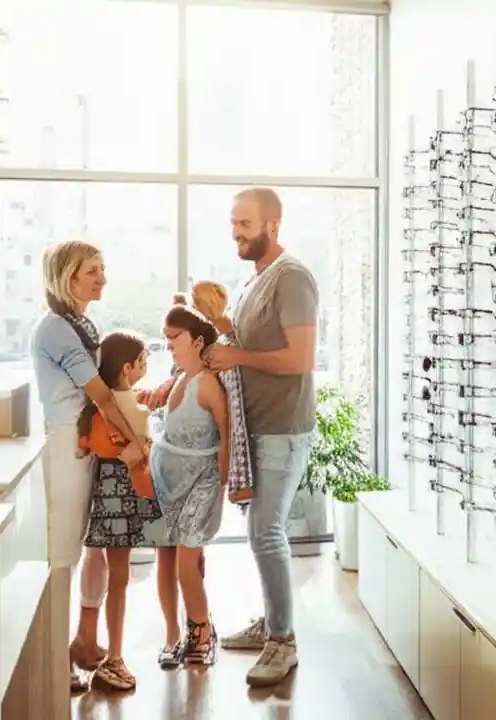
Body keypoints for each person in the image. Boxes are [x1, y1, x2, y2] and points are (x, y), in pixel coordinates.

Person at [203, 188, 319, 687]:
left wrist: (237, 357)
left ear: (273, 224)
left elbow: (300, 360)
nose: (236, 233)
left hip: (281, 431)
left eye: (245, 224)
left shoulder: (292, 279)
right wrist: (220, 326)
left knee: (266, 535)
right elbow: (251, 342)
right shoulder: (257, 281)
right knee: (259, 536)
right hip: (259, 431)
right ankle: (273, 625)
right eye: (233, 223)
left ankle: (283, 643)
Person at [29, 240, 147, 694]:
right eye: (90, 271)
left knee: (80, 552)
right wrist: (134, 446)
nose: (101, 277)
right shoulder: (58, 328)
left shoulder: (80, 323)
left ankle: (77, 644)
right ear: (66, 277)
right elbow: (98, 393)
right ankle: (54, 662)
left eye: (102, 268)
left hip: (84, 447)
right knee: (63, 556)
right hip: (66, 449)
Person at [75, 329, 180, 688]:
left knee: (118, 579)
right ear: (127, 367)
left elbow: (90, 446)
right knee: (161, 556)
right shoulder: (129, 407)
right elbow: (140, 448)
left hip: (110, 496)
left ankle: (116, 655)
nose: (145, 367)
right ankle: (130, 652)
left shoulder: (99, 408)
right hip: (133, 491)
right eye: (142, 362)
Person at [144, 305, 231, 666]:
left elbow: (227, 434)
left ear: (196, 341)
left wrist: (227, 484)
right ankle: (173, 635)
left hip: (202, 483)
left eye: (173, 338)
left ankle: (202, 630)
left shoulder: (208, 384)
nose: (168, 345)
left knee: (185, 564)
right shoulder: (179, 377)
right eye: (164, 338)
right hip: (166, 486)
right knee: (166, 561)